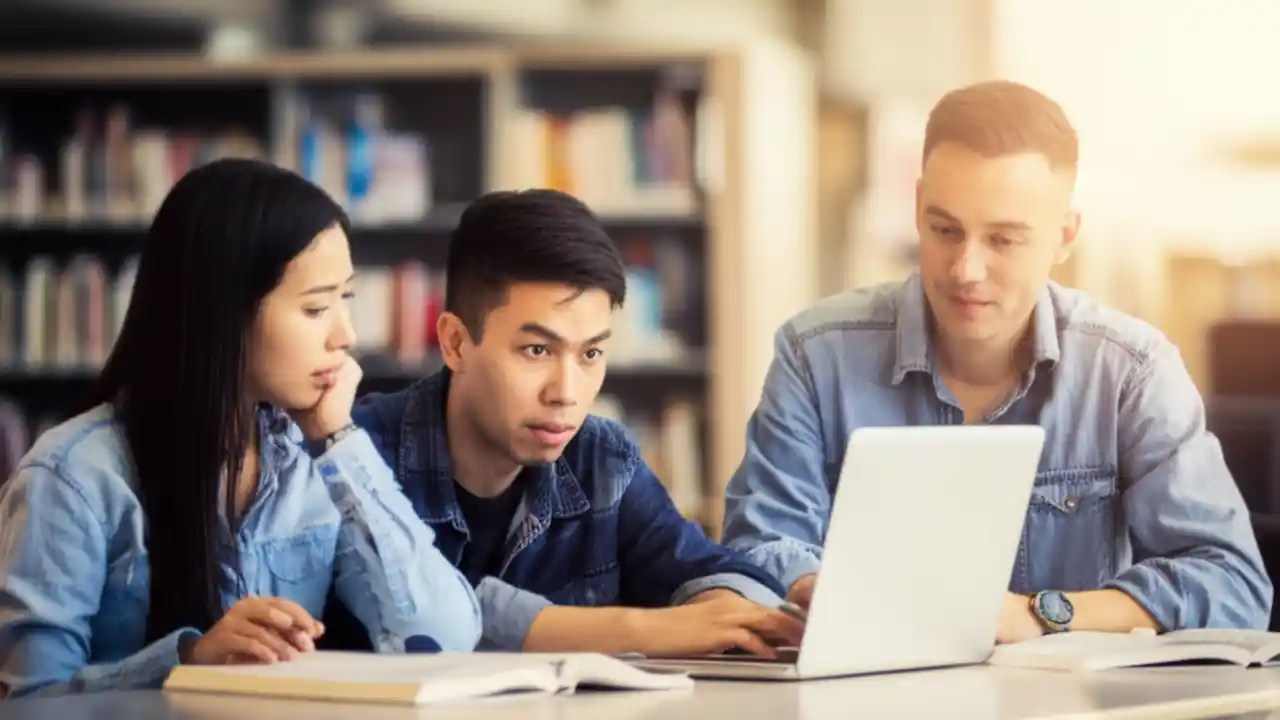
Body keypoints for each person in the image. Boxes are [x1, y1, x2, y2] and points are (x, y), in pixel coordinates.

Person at [720, 80, 1272, 642]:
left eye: (1004, 240)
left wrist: (1037, 614)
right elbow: (758, 549)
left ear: (1063, 237)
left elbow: (1233, 584)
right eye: (945, 230)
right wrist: (832, 597)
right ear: (916, 211)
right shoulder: (815, 355)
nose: (966, 270)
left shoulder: (1132, 370)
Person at [0, 159, 481, 698]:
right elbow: (31, 699)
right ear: (224, 313)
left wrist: (338, 439)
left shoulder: (314, 461)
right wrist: (186, 663)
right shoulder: (73, 478)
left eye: (345, 300)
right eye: (316, 307)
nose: (345, 335)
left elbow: (445, 638)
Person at [353, 189, 803, 656]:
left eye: (590, 353)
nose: (566, 392)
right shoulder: (356, 456)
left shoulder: (602, 458)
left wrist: (722, 610)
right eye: (537, 351)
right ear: (454, 343)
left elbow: (717, 571)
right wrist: (639, 631)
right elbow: (423, 612)